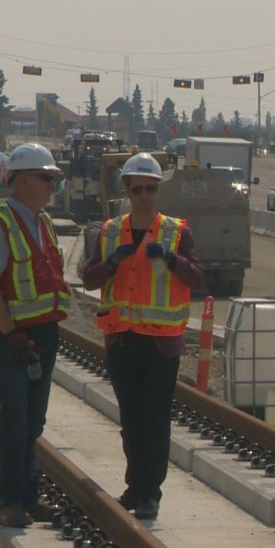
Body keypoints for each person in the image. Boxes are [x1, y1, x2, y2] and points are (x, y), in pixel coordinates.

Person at [82, 153, 204, 520]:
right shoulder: (109, 232)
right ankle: (135, 487)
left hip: (161, 343)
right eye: (138, 189)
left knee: (155, 420)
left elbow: (198, 279)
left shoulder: (176, 232)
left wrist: (171, 259)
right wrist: (111, 263)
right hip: (122, 340)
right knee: (132, 421)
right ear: (127, 190)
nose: (145, 196)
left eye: (151, 188)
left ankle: (150, 493)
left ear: (158, 190)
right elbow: (89, 279)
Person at [0, 143, 71, 528]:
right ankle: (8, 501)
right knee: (14, 419)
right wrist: (11, 333)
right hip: (12, 339)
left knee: (33, 420)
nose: (52, 186)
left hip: (42, 333)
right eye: (46, 178)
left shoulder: (41, 222)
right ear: (23, 180)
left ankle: (29, 496)